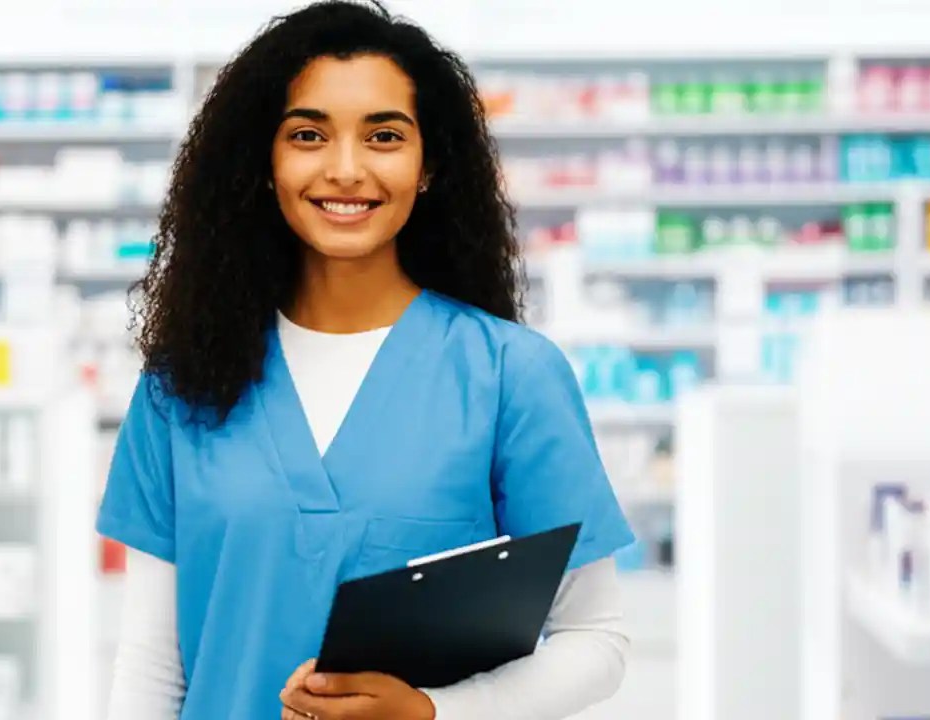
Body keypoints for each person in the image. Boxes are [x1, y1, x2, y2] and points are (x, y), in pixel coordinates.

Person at [98, 2, 635, 718]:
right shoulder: (181, 385)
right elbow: (151, 669)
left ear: (429, 164)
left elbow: (595, 639)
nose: (345, 169)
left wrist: (432, 712)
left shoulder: (511, 376)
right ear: (264, 161)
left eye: (384, 135)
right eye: (308, 134)